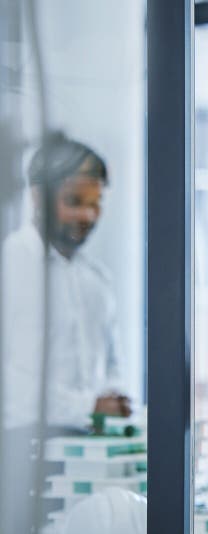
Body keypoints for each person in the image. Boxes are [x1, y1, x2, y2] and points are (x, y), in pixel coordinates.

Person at [1, 132, 130, 533]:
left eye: (96, 204)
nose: (88, 216)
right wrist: (91, 405)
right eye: (75, 202)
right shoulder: (12, 265)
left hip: (86, 457)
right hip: (21, 456)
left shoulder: (96, 280)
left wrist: (113, 400)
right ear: (39, 197)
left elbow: (111, 365)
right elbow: (12, 387)